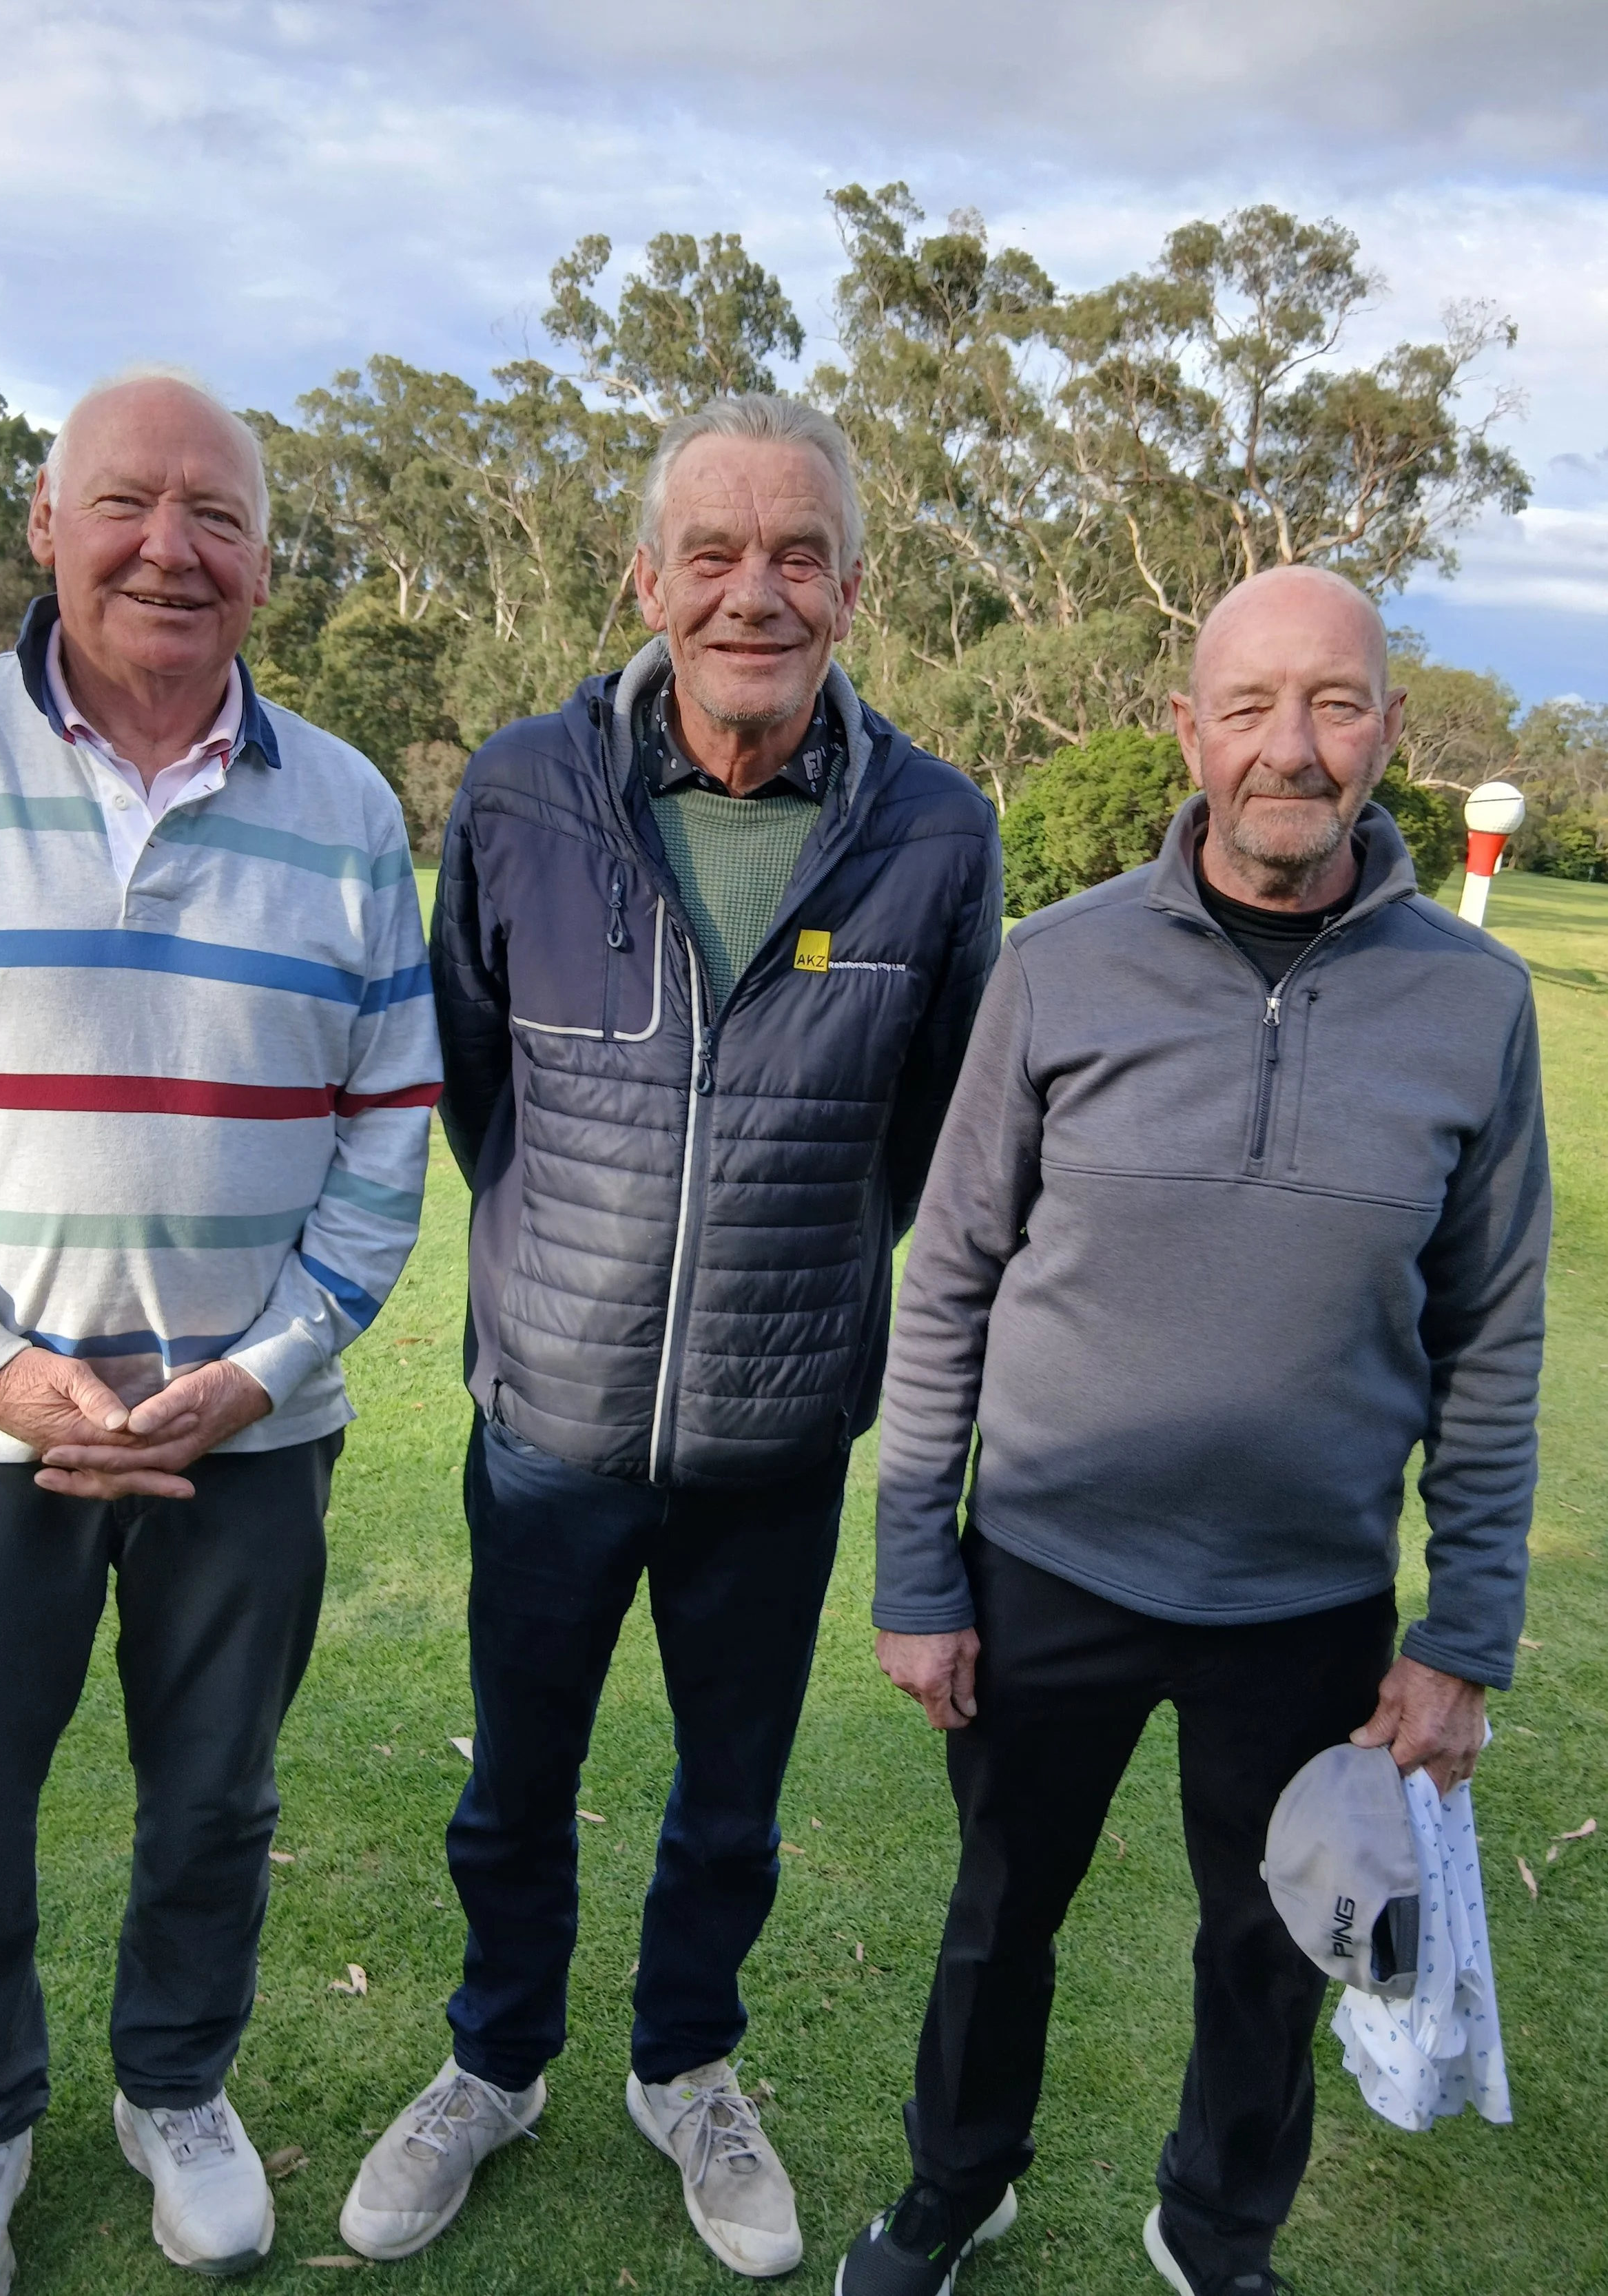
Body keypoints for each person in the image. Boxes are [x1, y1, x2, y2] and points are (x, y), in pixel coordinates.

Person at [341, 393, 1001, 2277]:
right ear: (645, 577)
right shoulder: (519, 793)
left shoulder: (938, 833)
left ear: (852, 589)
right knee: (512, 1786)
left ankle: (683, 2063)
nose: (751, 591)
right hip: (545, 1415)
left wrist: (787, 1291)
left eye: (796, 553)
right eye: (711, 551)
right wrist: (571, 1274)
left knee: (730, 1803)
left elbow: (937, 1144)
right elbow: (473, 1096)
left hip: (777, 1441)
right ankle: (492, 2059)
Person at [838, 566, 1549, 2296]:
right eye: (1247, 706)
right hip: (1045, 1571)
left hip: (1304, 1603)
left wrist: (1460, 1633)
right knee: (1002, 1914)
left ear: (1387, 725)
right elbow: (946, 1285)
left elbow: (1492, 1338)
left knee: (1272, 1943)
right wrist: (916, 1568)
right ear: (1187, 728)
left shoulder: (1472, 1005)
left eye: (1331, 704)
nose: (1288, 749)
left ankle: (1212, 2226)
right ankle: (956, 2186)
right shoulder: (1055, 966)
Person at [0, 369, 440, 2293]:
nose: (168, 545)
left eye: (215, 514)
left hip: (248, 1430)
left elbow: (389, 1131)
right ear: (45, 524)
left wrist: (262, 1365)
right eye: (126, 501)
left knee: (215, 1791)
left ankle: (175, 2085)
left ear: (267, 564)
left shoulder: (352, 802)